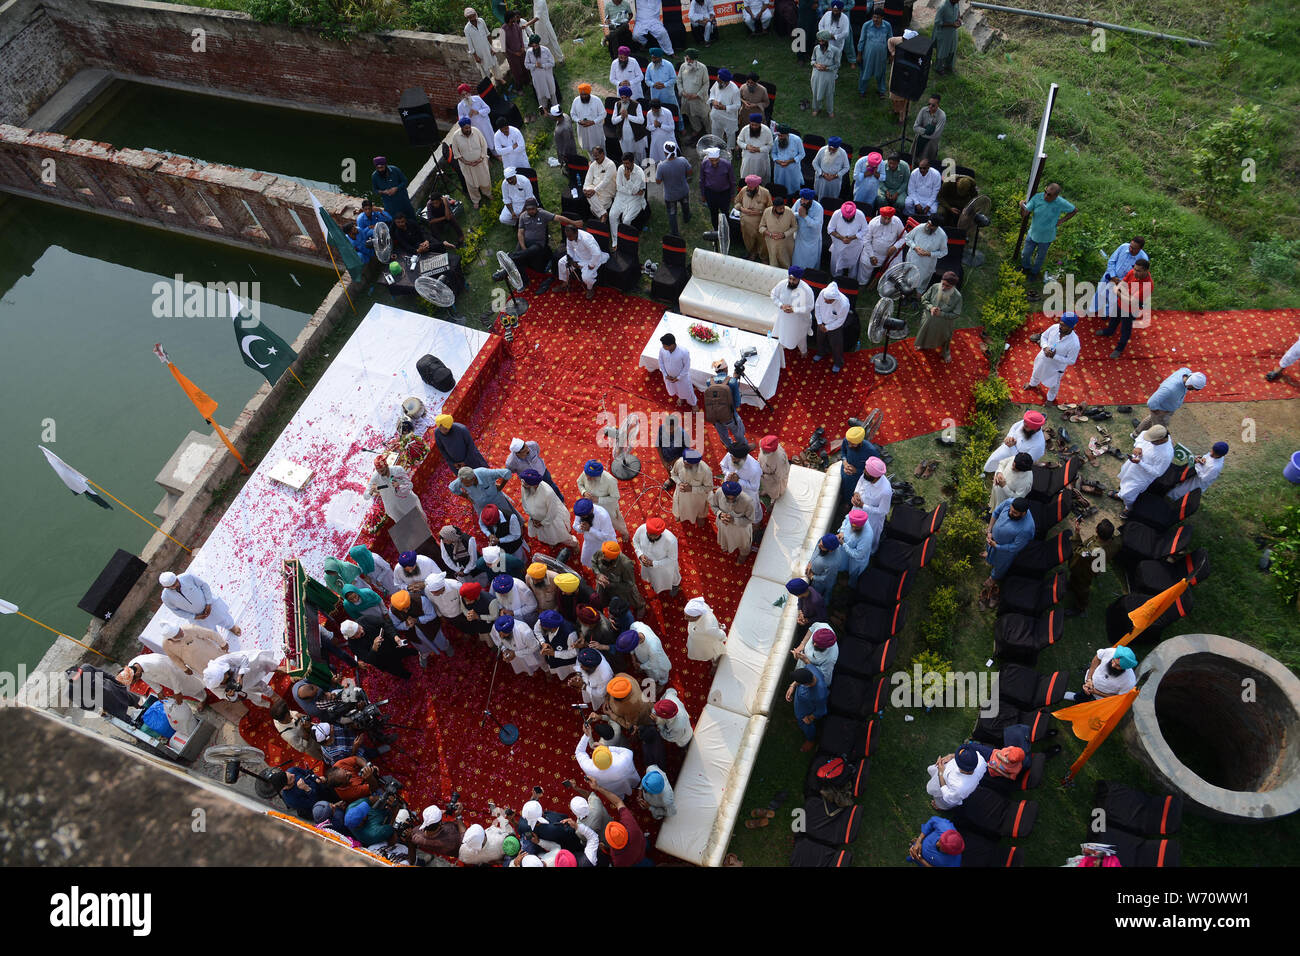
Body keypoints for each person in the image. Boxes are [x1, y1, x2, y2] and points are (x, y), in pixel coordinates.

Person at [1019, 182, 1077, 298]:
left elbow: (1074, 210)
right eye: (1045, 192)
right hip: (1033, 233)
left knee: (1040, 257)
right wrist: (1022, 206)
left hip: (1046, 237)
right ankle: (1025, 268)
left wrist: (1062, 220)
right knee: (1025, 253)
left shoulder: (1060, 203)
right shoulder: (1037, 197)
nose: (1046, 195)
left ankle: (1034, 273)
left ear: (1056, 196)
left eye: (1049, 194)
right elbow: (1025, 214)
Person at [158, 570, 242, 640]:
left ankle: (231, 627)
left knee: (222, 617)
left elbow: (204, 585)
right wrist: (194, 617)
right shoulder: (166, 597)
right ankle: (220, 642)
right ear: (166, 587)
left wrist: (208, 603)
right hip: (197, 616)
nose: (177, 584)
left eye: (176, 581)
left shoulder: (187, 577)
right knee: (209, 631)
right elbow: (176, 611)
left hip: (209, 604)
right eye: (173, 585)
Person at [1097, 258, 1154, 357]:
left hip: (1131, 310)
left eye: (1138, 271)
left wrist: (1117, 292)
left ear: (1146, 271)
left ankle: (1119, 348)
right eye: (1135, 269)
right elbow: (1124, 281)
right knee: (1114, 319)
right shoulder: (1132, 272)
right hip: (1120, 303)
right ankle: (1109, 331)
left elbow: (1131, 302)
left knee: (1125, 329)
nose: (1135, 272)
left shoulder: (1148, 285)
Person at [1065, 517, 1119, 616]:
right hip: (1097, 564)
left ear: (1096, 531)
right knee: (1075, 580)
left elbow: (1078, 551)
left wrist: (1077, 533)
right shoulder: (1114, 541)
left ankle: (1080, 607)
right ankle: (1071, 586)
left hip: (1086, 570)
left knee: (1082, 588)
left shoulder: (1093, 550)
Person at [1115, 425, 1174, 515]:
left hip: (1142, 477)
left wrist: (1140, 463)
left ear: (1161, 440)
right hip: (1133, 467)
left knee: (1128, 494)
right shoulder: (1156, 433)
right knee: (1124, 481)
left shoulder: (1166, 454)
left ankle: (1129, 508)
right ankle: (1120, 495)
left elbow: (1157, 472)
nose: (1149, 442)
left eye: (1152, 441)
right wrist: (1138, 446)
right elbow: (1142, 436)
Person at [982, 497, 1034, 599]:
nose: (1010, 513)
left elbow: (1015, 547)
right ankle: (989, 555)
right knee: (989, 550)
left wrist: (997, 546)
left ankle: (993, 578)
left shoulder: (1027, 529)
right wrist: (989, 530)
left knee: (1000, 566)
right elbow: (996, 513)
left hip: (1006, 552)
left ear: (1023, 513)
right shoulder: (1010, 502)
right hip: (993, 539)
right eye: (1010, 510)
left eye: (1014, 513)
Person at [1024, 311, 1081, 404]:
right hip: (1042, 358)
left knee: (1054, 384)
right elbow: (1043, 337)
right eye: (1060, 323)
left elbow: (1071, 361)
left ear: (1071, 327)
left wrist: (1055, 356)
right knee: (1036, 371)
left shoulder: (1074, 343)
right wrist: (1045, 347)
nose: (1060, 326)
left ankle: (1050, 399)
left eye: (1063, 325)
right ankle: (1032, 384)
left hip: (1056, 367)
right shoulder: (1055, 328)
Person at [1088, 236, 1148, 318]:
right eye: (1130, 246)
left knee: (1113, 299)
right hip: (1109, 275)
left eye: (1134, 248)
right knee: (1100, 292)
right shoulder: (1123, 247)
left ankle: (1106, 313)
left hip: (1122, 282)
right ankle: (1093, 309)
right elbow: (1111, 261)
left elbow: (1137, 276)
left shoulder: (1143, 259)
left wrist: (1119, 282)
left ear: (1140, 249)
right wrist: (1113, 276)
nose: (1130, 249)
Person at [1136, 367, 1206, 436]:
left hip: (1167, 408)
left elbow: (1183, 369)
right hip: (1162, 410)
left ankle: (1136, 434)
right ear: (1190, 384)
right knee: (1159, 430)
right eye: (1194, 389)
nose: (1194, 390)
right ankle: (1145, 439)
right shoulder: (1169, 389)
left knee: (1151, 418)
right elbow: (1151, 403)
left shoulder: (1186, 371)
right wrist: (1158, 413)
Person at [914, 271, 963, 363]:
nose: (944, 287)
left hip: (944, 322)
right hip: (929, 317)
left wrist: (941, 314)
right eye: (943, 284)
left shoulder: (957, 297)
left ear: (953, 286)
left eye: (947, 286)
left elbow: (956, 314)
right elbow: (924, 299)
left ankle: (945, 353)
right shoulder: (935, 286)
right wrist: (931, 307)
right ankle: (922, 344)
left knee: (945, 337)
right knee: (924, 331)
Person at [982, 410, 1046, 474]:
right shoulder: (1026, 423)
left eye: (1026, 426)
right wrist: (1009, 437)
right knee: (993, 460)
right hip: (1005, 449)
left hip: (1013, 462)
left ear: (1034, 430)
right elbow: (1014, 427)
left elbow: (1025, 461)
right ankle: (987, 470)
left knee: (1004, 472)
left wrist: (1012, 447)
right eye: (1024, 423)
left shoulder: (1038, 446)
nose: (1023, 426)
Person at [770, 267, 815, 359]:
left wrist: (794, 310)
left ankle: (803, 351)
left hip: (799, 320)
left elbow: (810, 306)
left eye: (794, 280)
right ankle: (782, 349)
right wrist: (781, 305)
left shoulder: (806, 290)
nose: (791, 281)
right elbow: (773, 294)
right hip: (783, 318)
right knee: (783, 333)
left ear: (799, 279)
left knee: (799, 337)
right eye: (790, 278)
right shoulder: (782, 284)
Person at [575, 736, 641, 797]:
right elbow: (628, 751)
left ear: (594, 760)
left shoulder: (589, 768)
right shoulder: (623, 760)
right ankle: (635, 785)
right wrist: (607, 747)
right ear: (610, 756)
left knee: (617, 794)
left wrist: (586, 735)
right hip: (630, 779)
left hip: (613, 789)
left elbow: (579, 752)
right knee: (633, 782)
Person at [927, 741, 986, 810]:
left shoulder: (959, 788)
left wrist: (941, 773)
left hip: (946, 787)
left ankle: (940, 806)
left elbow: (948, 796)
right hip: (945, 772)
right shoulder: (981, 761)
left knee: (941, 801)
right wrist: (951, 756)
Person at [1067, 645, 1139, 701]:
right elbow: (1097, 658)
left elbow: (1118, 698)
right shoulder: (1111, 652)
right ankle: (1077, 698)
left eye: (1118, 666)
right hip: (1089, 684)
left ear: (1125, 668)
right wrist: (1089, 680)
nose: (1113, 665)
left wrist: (1097, 693)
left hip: (1102, 699)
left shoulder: (1129, 682)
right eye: (1113, 660)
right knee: (1082, 696)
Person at [703, 357, 746, 449]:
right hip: (730, 416)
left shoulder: (709, 382)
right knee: (738, 433)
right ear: (726, 368)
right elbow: (737, 403)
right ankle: (742, 445)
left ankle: (729, 446)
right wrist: (734, 380)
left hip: (715, 416)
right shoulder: (732, 381)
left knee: (723, 435)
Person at [709, 480, 757, 562]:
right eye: (728, 497)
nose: (730, 500)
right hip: (723, 526)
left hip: (740, 530)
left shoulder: (748, 501)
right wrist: (720, 514)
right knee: (725, 539)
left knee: (744, 544)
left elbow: (750, 520)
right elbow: (713, 506)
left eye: (734, 497)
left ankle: (743, 554)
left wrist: (734, 520)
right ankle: (726, 547)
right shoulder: (719, 492)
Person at [450, 117, 492, 209]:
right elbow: (456, 153)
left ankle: (487, 193)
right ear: (461, 128)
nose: (468, 129)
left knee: (485, 178)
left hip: (480, 162)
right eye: (466, 128)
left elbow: (484, 144)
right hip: (467, 166)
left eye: (469, 127)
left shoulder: (476, 131)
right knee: (471, 184)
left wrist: (481, 158)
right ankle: (476, 200)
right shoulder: (456, 136)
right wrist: (467, 162)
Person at [850, 456, 891, 553]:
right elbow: (860, 482)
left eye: (866, 471)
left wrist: (863, 506)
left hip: (872, 520)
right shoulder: (867, 475)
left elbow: (883, 511)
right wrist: (856, 493)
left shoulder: (885, 491)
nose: (864, 471)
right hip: (857, 509)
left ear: (875, 476)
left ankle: (870, 552)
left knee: (868, 537)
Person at [557, 223, 609, 299]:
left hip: (590, 259)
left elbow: (596, 254)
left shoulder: (586, 239)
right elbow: (569, 248)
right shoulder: (569, 236)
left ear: (576, 232)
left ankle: (590, 289)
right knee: (561, 262)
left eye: (570, 236)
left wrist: (591, 265)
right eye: (567, 236)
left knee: (586, 277)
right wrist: (571, 260)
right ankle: (565, 283)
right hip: (578, 255)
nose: (568, 238)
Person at [578, 459, 628, 537]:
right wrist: (584, 492)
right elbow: (579, 483)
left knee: (615, 522)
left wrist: (598, 499)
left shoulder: (610, 481)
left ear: (598, 475)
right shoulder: (586, 472)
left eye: (590, 477)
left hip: (608, 509)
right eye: (586, 475)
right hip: (592, 508)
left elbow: (615, 497)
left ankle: (624, 532)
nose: (587, 478)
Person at [632, 516, 682, 595]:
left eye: (655, 535)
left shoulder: (671, 540)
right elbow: (635, 540)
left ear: (661, 533)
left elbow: (672, 559)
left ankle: (675, 586)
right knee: (654, 579)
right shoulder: (642, 529)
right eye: (650, 534)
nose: (652, 537)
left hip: (665, 568)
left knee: (671, 579)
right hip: (647, 566)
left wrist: (653, 563)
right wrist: (640, 554)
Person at [159, 621, 227, 678]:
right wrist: (184, 668)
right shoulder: (166, 645)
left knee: (229, 669)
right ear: (171, 638)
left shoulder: (189, 628)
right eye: (178, 634)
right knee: (218, 679)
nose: (181, 633)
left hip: (214, 656)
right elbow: (174, 658)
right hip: (200, 666)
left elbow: (210, 633)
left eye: (180, 630)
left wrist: (223, 643)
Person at [608, 153, 647, 249]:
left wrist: (628, 179)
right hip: (621, 196)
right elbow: (619, 187)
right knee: (612, 215)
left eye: (627, 164)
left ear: (632, 162)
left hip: (635, 199)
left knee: (626, 220)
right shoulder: (621, 168)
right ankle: (616, 241)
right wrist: (632, 191)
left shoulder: (639, 173)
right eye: (624, 163)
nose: (625, 166)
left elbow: (636, 191)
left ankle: (624, 240)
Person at [592, 541, 645, 613]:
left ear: (613, 558)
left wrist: (611, 585)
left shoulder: (625, 564)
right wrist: (598, 574)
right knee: (600, 599)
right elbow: (593, 561)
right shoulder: (602, 552)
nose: (602, 556)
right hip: (603, 583)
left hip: (620, 587)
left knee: (634, 599)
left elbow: (629, 584)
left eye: (605, 556)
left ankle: (640, 606)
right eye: (603, 553)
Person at [787, 666, 828, 751]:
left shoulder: (819, 695)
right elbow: (808, 664)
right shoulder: (810, 669)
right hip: (801, 704)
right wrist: (792, 686)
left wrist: (810, 718)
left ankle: (811, 740)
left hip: (805, 713)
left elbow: (822, 710)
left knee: (807, 726)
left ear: (805, 684)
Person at [656, 142, 693, 235]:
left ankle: (675, 232)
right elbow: (690, 171)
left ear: (665, 153)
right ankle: (687, 218)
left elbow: (658, 181)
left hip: (670, 196)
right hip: (683, 191)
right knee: (685, 205)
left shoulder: (661, 166)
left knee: (672, 213)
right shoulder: (683, 160)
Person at [901, 216, 948, 289]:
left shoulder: (942, 236)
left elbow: (944, 252)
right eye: (928, 223)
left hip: (927, 263)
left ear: (936, 227)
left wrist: (929, 254)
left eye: (931, 225)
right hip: (912, 258)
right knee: (906, 277)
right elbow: (907, 238)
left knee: (922, 281)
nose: (928, 226)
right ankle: (904, 291)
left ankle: (918, 295)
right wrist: (915, 247)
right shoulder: (920, 227)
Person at [449, 465, 514, 518]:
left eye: (467, 483)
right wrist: (466, 496)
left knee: (509, 516)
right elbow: (452, 487)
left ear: (473, 478)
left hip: (496, 498)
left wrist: (500, 487)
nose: (464, 485)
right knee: (489, 521)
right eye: (463, 483)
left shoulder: (485, 473)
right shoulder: (461, 480)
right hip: (480, 505)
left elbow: (506, 473)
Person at [812, 280, 850, 373]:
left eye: (827, 300)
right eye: (824, 298)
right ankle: (821, 352)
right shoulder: (823, 293)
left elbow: (840, 320)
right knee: (819, 339)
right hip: (821, 323)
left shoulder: (844, 304)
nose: (825, 300)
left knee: (836, 345)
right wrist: (820, 322)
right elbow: (817, 306)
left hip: (835, 327)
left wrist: (828, 328)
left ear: (835, 299)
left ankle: (838, 363)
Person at [721, 441, 764, 521]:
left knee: (753, 510)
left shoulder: (754, 469)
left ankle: (756, 523)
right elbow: (723, 466)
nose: (732, 460)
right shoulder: (730, 455)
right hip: (731, 491)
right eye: (732, 457)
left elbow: (755, 487)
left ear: (744, 457)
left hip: (747, 494)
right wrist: (728, 474)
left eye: (736, 459)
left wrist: (739, 481)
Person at [859, 204, 904, 281]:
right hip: (874, 252)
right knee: (865, 262)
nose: (886, 221)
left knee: (895, 268)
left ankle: (888, 287)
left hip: (890, 254)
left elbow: (904, 237)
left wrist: (895, 247)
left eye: (889, 219)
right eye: (884, 218)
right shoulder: (873, 223)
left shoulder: (897, 222)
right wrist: (871, 256)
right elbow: (866, 240)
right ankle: (862, 283)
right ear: (881, 215)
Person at [671, 447, 712, 524]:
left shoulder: (705, 470)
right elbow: (673, 474)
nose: (685, 465)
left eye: (688, 465)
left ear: (696, 464)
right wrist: (679, 483)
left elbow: (709, 488)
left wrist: (691, 489)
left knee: (698, 508)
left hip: (697, 498)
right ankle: (680, 515)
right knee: (680, 507)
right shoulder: (680, 462)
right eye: (684, 463)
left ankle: (699, 516)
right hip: (681, 495)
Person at [572, 497, 616, 567]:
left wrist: (590, 529)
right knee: (588, 560)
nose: (582, 517)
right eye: (581, 516)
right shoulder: (581, 512)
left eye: (584, 516)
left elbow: (606, 537)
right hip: (589, 542)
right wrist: (581, 528)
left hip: (604, 544)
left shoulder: (603, 515)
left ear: (591, 509)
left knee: (607, 564)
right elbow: (575, 525)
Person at [735, 174, 772, 259]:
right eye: (747, 185)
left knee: (762, 241)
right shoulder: (744, 190)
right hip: (746, 223)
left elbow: (770, 208)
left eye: (750, 187)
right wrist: (742, 209)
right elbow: (736, 202)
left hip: (760, 222)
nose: (748, 188)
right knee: (748, 239)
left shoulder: (765, 193)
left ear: (757, 186)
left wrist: (759, 212)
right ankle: (752, 253)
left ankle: (763, 256)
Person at [828, 200, 868, 278]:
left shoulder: (860, 214)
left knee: (853, 263)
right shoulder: (836, 213)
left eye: (851, 218)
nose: (849, 220)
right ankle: (836, 277)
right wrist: (842, 238)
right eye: (846, 218)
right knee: (836, 262)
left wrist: (852, 238)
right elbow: (830, 229)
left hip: (855, 244)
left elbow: (865, 229)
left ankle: (851, 278)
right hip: (839, 243)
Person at [857, 9, 892, 96]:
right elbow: (862, 40)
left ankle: (881, 91)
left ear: (882, 18)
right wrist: (859, 54)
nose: (875, 19)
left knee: (881, 73)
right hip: (868, 55)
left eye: (878, 18)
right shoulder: (867, 25)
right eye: (874, 17)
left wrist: (891, 54)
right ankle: (862, 90)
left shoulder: (887, 26)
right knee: (865, 72)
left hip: (881, 55)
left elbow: (891, 40)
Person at [678, 49, 711, 139]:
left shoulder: (702, 68)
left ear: (695, 59)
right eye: (687, 59)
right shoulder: (683, 66)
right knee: (691, 115)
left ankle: (710, 132)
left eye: (690, 60)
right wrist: (682, 92)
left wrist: (697, 95)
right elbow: (679, 81)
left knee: (705, 116)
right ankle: (697, 129)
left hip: (698, 99)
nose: (688, 62)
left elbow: (706, 84)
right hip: (686, 99)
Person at [611, 86, 647, 166]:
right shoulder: (617, 104)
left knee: (639, 155)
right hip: (624, 136)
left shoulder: (636, 105)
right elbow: (613, 121)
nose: (623, 99)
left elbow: (641, 120)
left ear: (629, 96)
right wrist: (621, 117)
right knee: (628, 155)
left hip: (636, 136)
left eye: (625, 97)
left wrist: (628, 116)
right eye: (622, 97)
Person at [837, 508, 874, 586]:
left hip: (856, 560)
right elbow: (846, 519)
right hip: (846, 550)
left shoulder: (867, 536)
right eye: (852, 526)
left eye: (856, 528)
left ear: (862, 524)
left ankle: (850, 584)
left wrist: (843, 544)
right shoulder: (853, 516)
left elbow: (858, 554)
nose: (853, 529)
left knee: (854, 573)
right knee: (844, 562)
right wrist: (842, 531)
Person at [683, 596, 726, 662]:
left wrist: (717, 628)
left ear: (697, 616)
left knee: (708, 653)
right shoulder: (702, 606)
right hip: (695, 638)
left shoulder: (708, 628)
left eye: (688, 617)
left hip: (704, 643)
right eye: (685, 615)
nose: (685, 618)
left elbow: (721, 635)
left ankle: (715, 662)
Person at [708, 67, 741, 149]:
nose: (717, 81)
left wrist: (725, 107)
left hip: (729, 118)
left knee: (730, 135)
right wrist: (713, 101)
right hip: (716, 114)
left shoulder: (734, 90)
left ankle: (730, 150)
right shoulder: (717, 83)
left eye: (719, 81)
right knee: (716, 133)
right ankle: (716, 148)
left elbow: (737, 105)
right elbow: (712, 93)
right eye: (717, 80)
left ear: (726, 82)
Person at [803, 538, 842, 606]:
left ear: (830, 550)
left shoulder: (833, 563)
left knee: (819, 594)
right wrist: (810, 562)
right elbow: (817, 548)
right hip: (815, 572)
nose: (819, 545)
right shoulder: (823, 541)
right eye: (820, 543)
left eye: (822, 546)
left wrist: (812, 577)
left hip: (820, 583)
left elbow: (826, 578)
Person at [792, 189, 825, 270]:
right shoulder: (798, 202)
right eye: (802, 199)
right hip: (800, 236)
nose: (802, 202)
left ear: (811, 200)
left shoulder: (818, 208)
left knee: (810, 261)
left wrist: (804, 216)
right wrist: (799, 214)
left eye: (805, 200)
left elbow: (816, 225)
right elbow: (791, 214)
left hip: (812, 239)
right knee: (797, 259)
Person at [699, 147, 734, 223]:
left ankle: (727, 229)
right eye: (712, 161)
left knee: (725, 212)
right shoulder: (704, 164)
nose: (714, 162)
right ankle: (716, 230)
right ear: (708, 159)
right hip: (710, 193)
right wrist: (703, 195)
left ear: (719, 157)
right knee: (713, 213)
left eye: (716, 160)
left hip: (724, 193)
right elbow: (702, 180)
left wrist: (732, 195)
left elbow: (732, 181)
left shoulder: (727, 165)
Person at [524, 35, 557, 114]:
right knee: (540, 94)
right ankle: (544, 110)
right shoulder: (529, 52)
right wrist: (534, 65)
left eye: (536, 45)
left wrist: (542, 66)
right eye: (533, 46)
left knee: (552, 92)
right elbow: (526, 65)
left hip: (547, 76)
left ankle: (555, 108)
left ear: (539, 44)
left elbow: (552, 63)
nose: (535, 47)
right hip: (537, 78)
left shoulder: (545, 50)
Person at [737, 113, 773, 183]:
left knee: (761, 177)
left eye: (756, 125)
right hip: (748, 158)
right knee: (746, 177)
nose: (754, 127)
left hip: (761, 159)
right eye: (752, 125)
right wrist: (746, 146)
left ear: (760, 124)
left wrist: (759, 149)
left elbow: (770, 145)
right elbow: (739, 140)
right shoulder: (745, 129)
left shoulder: (766, 130)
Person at [571, 84, 606, 154]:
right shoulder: (576, 101)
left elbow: (603, 114)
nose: (584, 96)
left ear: (589, 93)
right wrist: (579, 121)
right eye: (582, 95)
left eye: (586, 94)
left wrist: (593, 122)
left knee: (600, 149)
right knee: (589, 150)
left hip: (595, 130)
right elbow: (572, 114)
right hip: (583, 130)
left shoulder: (597, 100)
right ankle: (593, 163)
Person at [771, 126, 805, 196]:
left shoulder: (797, 140)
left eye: (781, 136)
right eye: (779, 135)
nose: (779, 137)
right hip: (779, 168)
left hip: (792, 168)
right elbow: (773, 153)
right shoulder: (777, 139)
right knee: (779, 187)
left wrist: (789, 161)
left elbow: (802, 154)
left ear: (787, 134)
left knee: (792, 187)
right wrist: (777, 161)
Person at [812, 136, 850, 200]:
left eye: (834, 149)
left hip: (834, 181)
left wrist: (835, 175)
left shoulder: (842, 153)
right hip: (822, 179)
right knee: (819, 197)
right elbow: (814, 163)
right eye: (830, 148)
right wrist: (822, 173)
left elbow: (846, 167)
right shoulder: (822, 150)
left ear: (838, 148)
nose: (831, 151)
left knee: (832, 199)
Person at [912, 94, 946, 164]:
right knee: (914, 159)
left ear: (938, 105)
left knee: (926, 162)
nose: (930, 106)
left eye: (933, 105)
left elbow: (936, 134)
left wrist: (921, 132)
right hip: (920, 138)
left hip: (931, 141)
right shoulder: (923, 110)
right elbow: (915, 127)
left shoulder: (942, 115)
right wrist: (926, 131)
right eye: (929, 104)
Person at [818, 1, 853, 67]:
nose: (835, 12)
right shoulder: (827, 14)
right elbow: (820, 25)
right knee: (824, 59)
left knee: (835, 61)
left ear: (841, 10)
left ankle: (834, 73)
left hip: (837, 43)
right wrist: (824, 34)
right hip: (826, 41)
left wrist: (835, 37)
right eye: (834, 10)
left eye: (837, 11)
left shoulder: (845, 18)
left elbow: (846, 33)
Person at [463, 8, 496, 78]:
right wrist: (475, 57)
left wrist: (492, 47)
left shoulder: (481, 21)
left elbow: (488, 34)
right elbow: (470, 45)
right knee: (485, 71)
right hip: (479, 53)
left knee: (495, 64)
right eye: (470, 17)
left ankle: (499, 79)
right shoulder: (467, 29)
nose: (472, 19)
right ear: (468, 18)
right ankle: (489, 85)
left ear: (475, 15)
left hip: (488, 48)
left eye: (473, 16)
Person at [758, 433, 790, 502]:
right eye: (763, 449)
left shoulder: (780, 459)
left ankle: (774, 498)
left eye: (766, 451)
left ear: (773, 451)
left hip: (773, 478)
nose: (763, 451)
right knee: (766, 485)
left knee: (775, 489)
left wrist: (769, 477)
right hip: (764, 474)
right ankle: (767, 491)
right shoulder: (762, 443)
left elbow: (780, 475)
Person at [931, 0, 961, 74]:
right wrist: (951, 25)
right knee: (943, 51)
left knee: (952, 48)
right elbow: (937, 22)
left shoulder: (956, 3)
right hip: (943, 33)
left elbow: (958, 12)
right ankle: (939, 68)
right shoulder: (943, 6)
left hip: (953, 32)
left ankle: (949, 66)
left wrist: (958, 19)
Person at [645, 48, 679, 113]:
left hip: (668, 96)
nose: (653, 60)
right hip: (655, 97)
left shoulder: (669, 65)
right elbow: (647, 80)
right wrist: (653, 85)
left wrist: (664, 85)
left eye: (655, 58)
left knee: (673, 112)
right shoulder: (650, 66)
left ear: (660, 57)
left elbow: (674, 79)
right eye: (652, 58)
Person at [502, 10, 528, 89]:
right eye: (514, 17)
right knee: (516, 72)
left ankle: (527, 82)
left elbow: (520, 38)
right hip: (512, 56)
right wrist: (514, 53)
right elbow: (504, 46)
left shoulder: (516, 25)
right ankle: (519, 88)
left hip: (521, 52)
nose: (515, 18)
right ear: (510, 19)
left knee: (524, 68)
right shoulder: (503, 29)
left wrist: (522, 47)